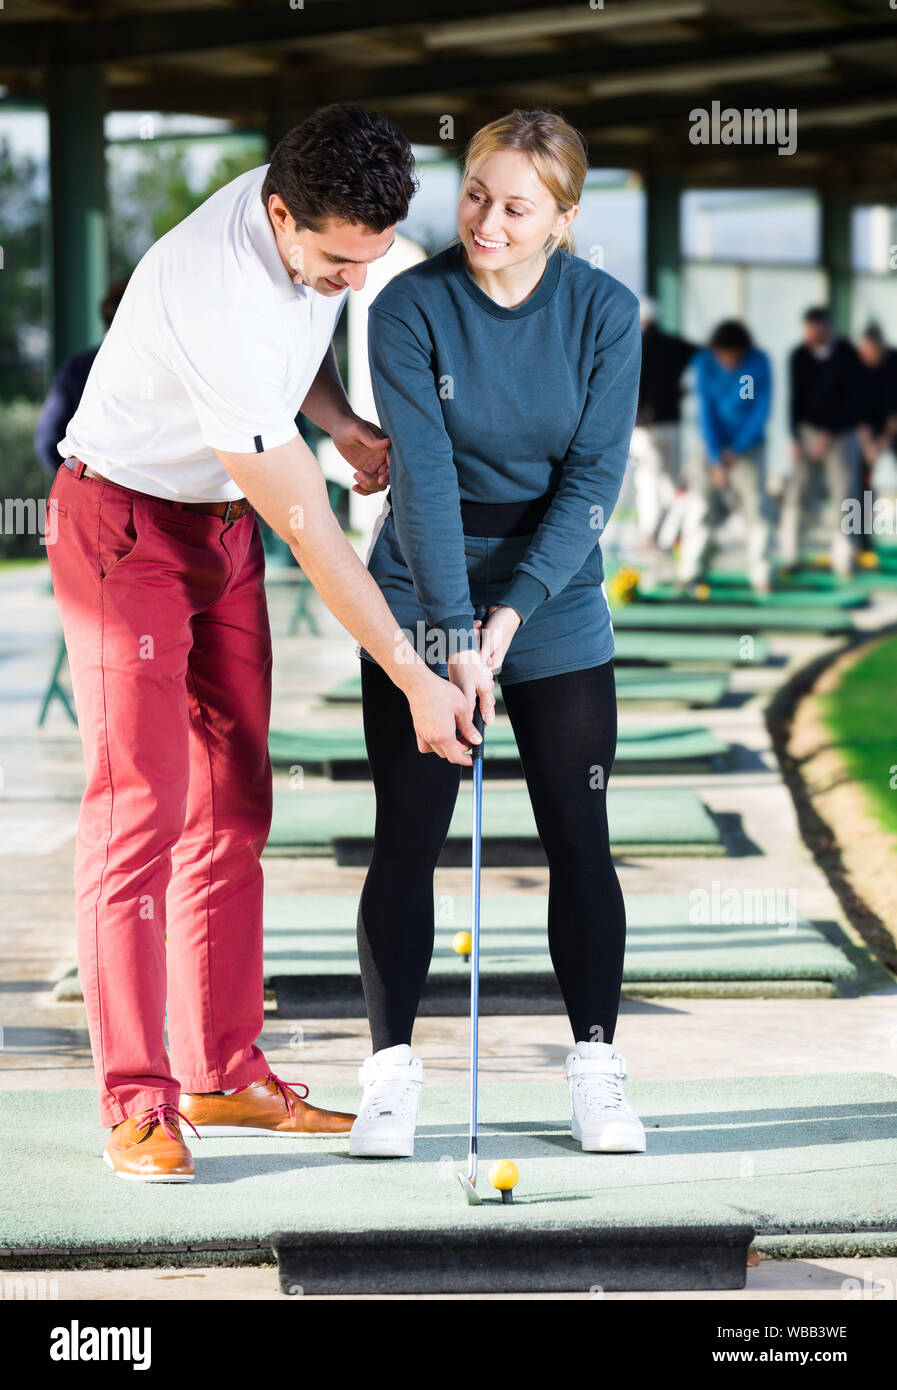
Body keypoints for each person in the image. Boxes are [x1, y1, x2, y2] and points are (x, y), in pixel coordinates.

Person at [46, 104, 479, 1183]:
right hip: (124, 528)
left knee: (236, 800)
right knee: (137, 810)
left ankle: (222, 1067)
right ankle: (137, 1101)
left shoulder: (305, 233)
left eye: (365, 264)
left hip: (220, 528)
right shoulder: (213, 286)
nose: (347, 282)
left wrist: (334, 420)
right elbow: (314, 531)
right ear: (281, 215)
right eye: (335, 262)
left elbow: (299, 351)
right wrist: (414, 677)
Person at [348, 108, 645, 1161]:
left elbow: (594, 480)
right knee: (409, 838)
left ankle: (598, 1066)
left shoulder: (605, 312)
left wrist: (508, 620)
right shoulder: (408, 306)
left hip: (553, 594)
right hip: (422, 591)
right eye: (475, 193)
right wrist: (451, 636)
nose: (487, 221)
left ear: (562, 219)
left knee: (580, 836)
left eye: (518, 207)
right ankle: (388, 1074)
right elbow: (420, 483)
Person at [678, 320, 773, 594]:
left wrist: (737, 449)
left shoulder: (759, 362)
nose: (728, 361)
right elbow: (704, 412)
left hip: (749, 448)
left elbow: (761, 409)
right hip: (710, 446)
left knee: (757, 509)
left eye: (733, 355)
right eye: (723, 355)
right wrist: (716, 457)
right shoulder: (704, 363)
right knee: (700, 506)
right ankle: (691, 571)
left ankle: (761, 574)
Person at [781, 306, 863, 576]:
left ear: (828, 328)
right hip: (807, 433)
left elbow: (854, 399)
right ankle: (791, 554)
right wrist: (795, 437)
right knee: (799, 493)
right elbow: (795, 399)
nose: (813, 335)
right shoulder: (798, 356)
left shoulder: (848, 354)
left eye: (818, 330)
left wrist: (829, 432)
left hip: (841, 434)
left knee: (846, 495)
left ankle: (845, 557)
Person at [34, 281, 129, 479]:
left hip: (90, 494)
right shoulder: (166, 370)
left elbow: (48, 441)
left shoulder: (78, 367)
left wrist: (79, 480)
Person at [627, 297, 696, 553]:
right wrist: (682, 390)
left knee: (649, 481)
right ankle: (674, 532)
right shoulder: (674, 344)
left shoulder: (631, 344)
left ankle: (651, 535)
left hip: (642, 428)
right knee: (670, 480)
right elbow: (706, 356)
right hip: (671, 424)